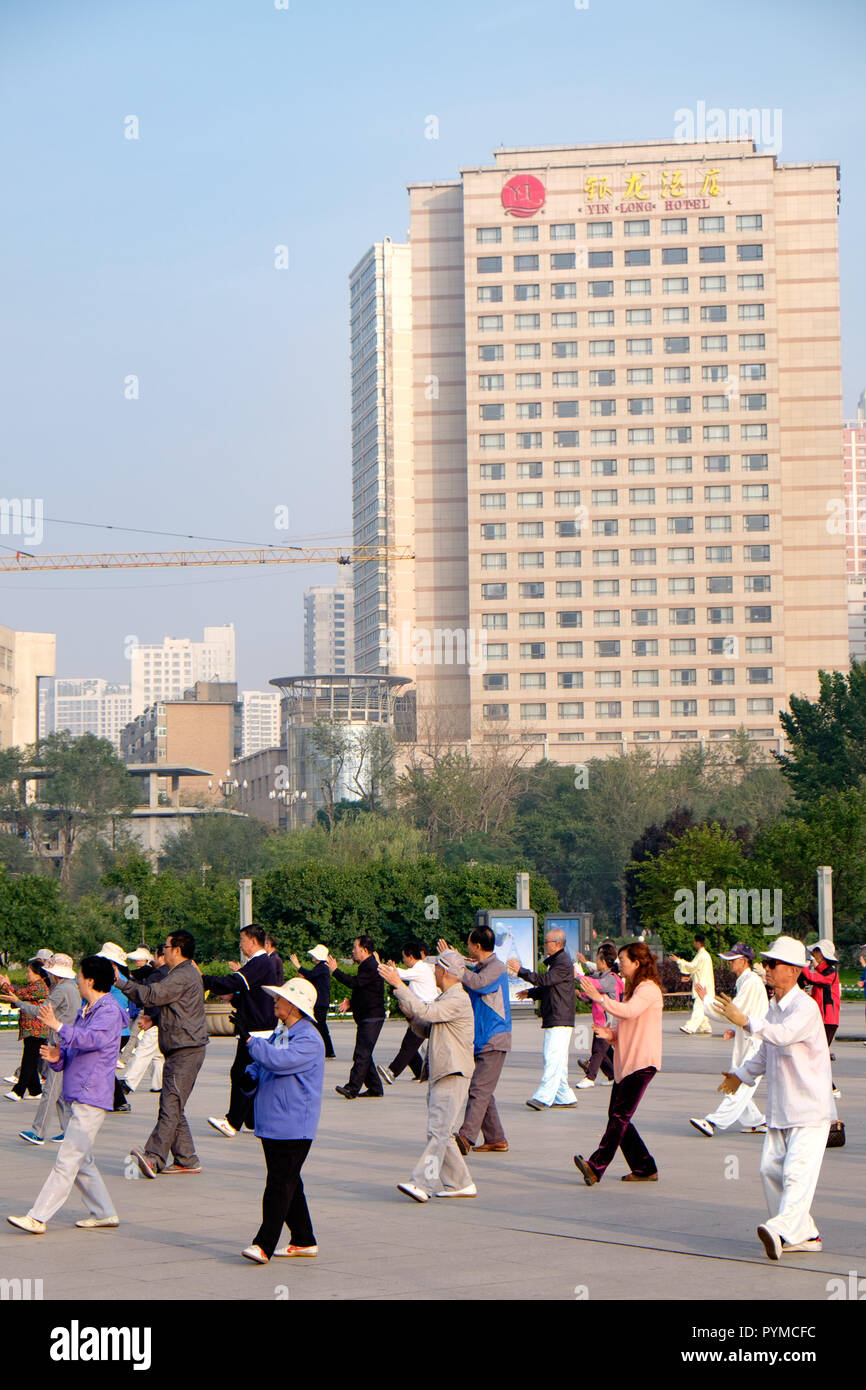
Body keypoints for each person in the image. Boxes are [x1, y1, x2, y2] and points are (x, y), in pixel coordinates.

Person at [715, 935, 835, 1260]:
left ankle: (780, 1228)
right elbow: (766, 1053)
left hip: (810, 1111)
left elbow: (781, 1037)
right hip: (781, 1109)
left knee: (796, 1174)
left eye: (773, 964)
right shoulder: (773, 1007)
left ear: (795, 971)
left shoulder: (805, 1008)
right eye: (766, 963)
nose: (766, 969)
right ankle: (805, 1234)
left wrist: (746, 1021)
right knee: (770, 1169)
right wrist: (740, 1075)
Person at [7, 955, 124, 1234]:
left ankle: (38, 1216)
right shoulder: (89, 1008)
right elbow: (75, 1048)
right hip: (80, 1091)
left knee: (67, 1159)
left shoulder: (107, 1011)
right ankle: (104, 1212)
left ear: (91, 981)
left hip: (91, 1093)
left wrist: (58, 1027)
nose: (77, 980)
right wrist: (57, 1057)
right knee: (82, 1159)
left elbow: (92, 1040)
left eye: (80, 976)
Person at [240, 977, 325, 1264]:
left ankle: (263, 1244)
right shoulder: (283, 1031)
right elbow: (267, 1061)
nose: (275, 1001)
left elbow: (279, 1061)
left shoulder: (309, 1038)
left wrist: (251, 1042)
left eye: (280, 998)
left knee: (279, 1184)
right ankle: (303, 1239)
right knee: (289, 1182)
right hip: (275, 1122)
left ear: (295, 1006)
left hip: (293, 1125)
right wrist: (250, 1071)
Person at [379, 954, 476, 1202]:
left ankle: (422, 1183)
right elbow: (429, 1027)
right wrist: (413, 1019)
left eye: (435, 969)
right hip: (444, 1071)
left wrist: (398, 985)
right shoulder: (448, 997)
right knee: (441, 1131)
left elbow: (428, 1012)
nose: (433, 973)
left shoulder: (457, 998)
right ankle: (460, 1183)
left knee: (438, 1132)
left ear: (444, 971)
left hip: (452, 1072)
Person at [114, 930, 208, 1178]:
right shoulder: (181, 974)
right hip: (182, 1045)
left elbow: (152, 995)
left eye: (166, 947)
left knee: (170, 1104)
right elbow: (175, 1007)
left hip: (185, 1049)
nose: (163, 951)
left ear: (177, 949)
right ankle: (187, 1158)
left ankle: (154, 1157)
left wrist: (121, 981)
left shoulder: (182, 975)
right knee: (173, 1103)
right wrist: (154, 1020)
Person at [573, 941, 663, 1186]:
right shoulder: (636, 987)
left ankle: (596, 1166)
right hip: (628, 1062)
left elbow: (630, 1012)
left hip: (642, 1063)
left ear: (636, 963)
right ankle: (644, 1167)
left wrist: (600, 999)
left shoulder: (648, 989)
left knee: (619, 1116)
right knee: (618, 1116)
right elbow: (627, 1022)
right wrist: (610, 1034)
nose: (619, 965)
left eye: (623, 961)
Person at [438, 927, 512, 1155]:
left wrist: (455, 965)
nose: (468, 947)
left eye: (469, 944)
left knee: (479, 1089)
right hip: (480, 1038)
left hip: (494, 1038)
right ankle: (496, 1138)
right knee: (480, 1088)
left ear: (477, 946)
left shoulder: (497, 968)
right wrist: (459, 962)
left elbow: (478, 983)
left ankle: (466, 1137)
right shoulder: (482, 966)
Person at [202, 923, 279, 1137]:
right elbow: (249, 993)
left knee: (242, 1073)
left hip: (258, 1030)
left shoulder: (260, 962)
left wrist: (204, 980)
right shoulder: (260, 963)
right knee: (250, 1075)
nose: (240, 944)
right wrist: (234, 997)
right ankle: (253, 1120)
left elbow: (233, 981)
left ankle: (233, 1122)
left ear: (253, 941)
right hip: (255, 1026)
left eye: (242, 940)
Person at [689, 943, 767, 1137]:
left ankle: (712, 1122)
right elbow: (741, 1012)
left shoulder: (751, 982)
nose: (730, 963)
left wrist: (707, 999)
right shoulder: (745, 981)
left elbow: (731, 1010)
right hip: (747, 1037)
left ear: (744, 961)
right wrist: (733, 1028)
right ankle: (756, 1121)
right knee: (737, 1078)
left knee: (738, 1081)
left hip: (756, 1041)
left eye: (733, 960)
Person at [11, 955, 80, 1146]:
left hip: (59, 1044)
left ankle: (38, 1132)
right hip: (67, 1042)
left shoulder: (61, 990)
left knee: (50, 1090)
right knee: (59, 1092)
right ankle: (68, 1131)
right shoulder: (71, 987)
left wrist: (18, 1002)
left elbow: (41, 1012)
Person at [508, 927, 577, 1110]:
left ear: (556, 944)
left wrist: (520, 971)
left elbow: (545, 980)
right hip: (556, 1015)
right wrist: (530, 993)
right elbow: (549, 987)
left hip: (559, 1016)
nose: (544, 945)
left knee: (552, 1057)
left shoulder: (562, 962)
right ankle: (565, 1096)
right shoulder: (557, 962)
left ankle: (543, 1097)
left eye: (546, 942)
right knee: (558, 1060)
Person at [327, 937, 386, 1099]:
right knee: (365, 1053)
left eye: (355, 948)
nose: (353, 951)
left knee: (362, 1053)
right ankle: (375, 1088)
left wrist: (336, 971)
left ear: (364, 950)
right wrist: (351, 1004)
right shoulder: (366, 966)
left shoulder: (370, 966)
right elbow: (365, 992)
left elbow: (355, 983)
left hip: (372, 1017)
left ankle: (352, 1088)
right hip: (367, 1016)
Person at [377, 942, 437, 1086]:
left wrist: (379, 964)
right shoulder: (419, 970)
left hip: (424, 1014)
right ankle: (422, 1073)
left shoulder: (420, 968)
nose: (403, 960)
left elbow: (400, 975)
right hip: (420, 1013)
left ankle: (392, 1072)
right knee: (409, 1044)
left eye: (404, 957)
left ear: (410, 957)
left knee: (409, 1045)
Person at [119, 944, 166, 1099]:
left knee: (143, 1050)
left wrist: (151, 1018)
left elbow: (146, 995)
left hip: (157, 1019)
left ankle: (129, 1082)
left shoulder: (159, 974)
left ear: (161, 956)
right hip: (163, 1019)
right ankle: (158, 1084)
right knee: (157, 1055)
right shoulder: (173, 973)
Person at [575, 944, 622, 1088]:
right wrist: (580, 995)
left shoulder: (611, 979)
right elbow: (592, 996)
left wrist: (577, 977)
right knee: (605, 1051)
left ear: (603, 962)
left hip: (608, 1022)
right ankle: (614, 1075)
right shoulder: (603, 976)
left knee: (598, 1050)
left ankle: (590, 1077)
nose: (596, 963)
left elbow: (595, 984)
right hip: (600, 1021)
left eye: (598, 960)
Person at [1, 959, 49, 1101]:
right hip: (31, 1029)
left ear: (37, 974)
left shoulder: (39, 987)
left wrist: (5, 985)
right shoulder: (34, 987)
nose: (27, 974)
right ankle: (35, 1091)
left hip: (37, 1029)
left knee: (28, 1059)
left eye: (29, 971)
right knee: (31, 1060)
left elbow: (20, 994)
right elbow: (21, 996)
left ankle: (18, 1091)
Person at [800, 939, 841, 1097]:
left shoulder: (830, 972)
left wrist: (804, 966)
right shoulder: (818, 970)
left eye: (815, 952)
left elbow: (814, 979)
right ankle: (828, 1087)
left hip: (828, 1020)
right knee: (816, 1053)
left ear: (822, 955)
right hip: (819, 1019)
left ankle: (830, 1088)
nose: (812, 954)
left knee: (818, 1054)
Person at [290, 945, 335, 1058]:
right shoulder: (320, 967)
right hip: (320, 1002)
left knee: (320, 1026)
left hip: (320, 1002)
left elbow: (310, 975)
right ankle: (326, 1050)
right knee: (319, 1026)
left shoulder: (322, 967)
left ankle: (328, 1050)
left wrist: (298, 966)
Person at [671, 934, 715, 1035]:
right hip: (704, 985)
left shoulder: (702, 955)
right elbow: (699, 970)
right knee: (703, 1007)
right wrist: (691, 977)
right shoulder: (704, 955)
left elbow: (692, 966)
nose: (694, 944)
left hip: (702, 986)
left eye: (694, 942)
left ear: (698, 943)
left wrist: (678, 960)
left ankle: (690, 1027)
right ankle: (705, 1027)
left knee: (699, 1007)